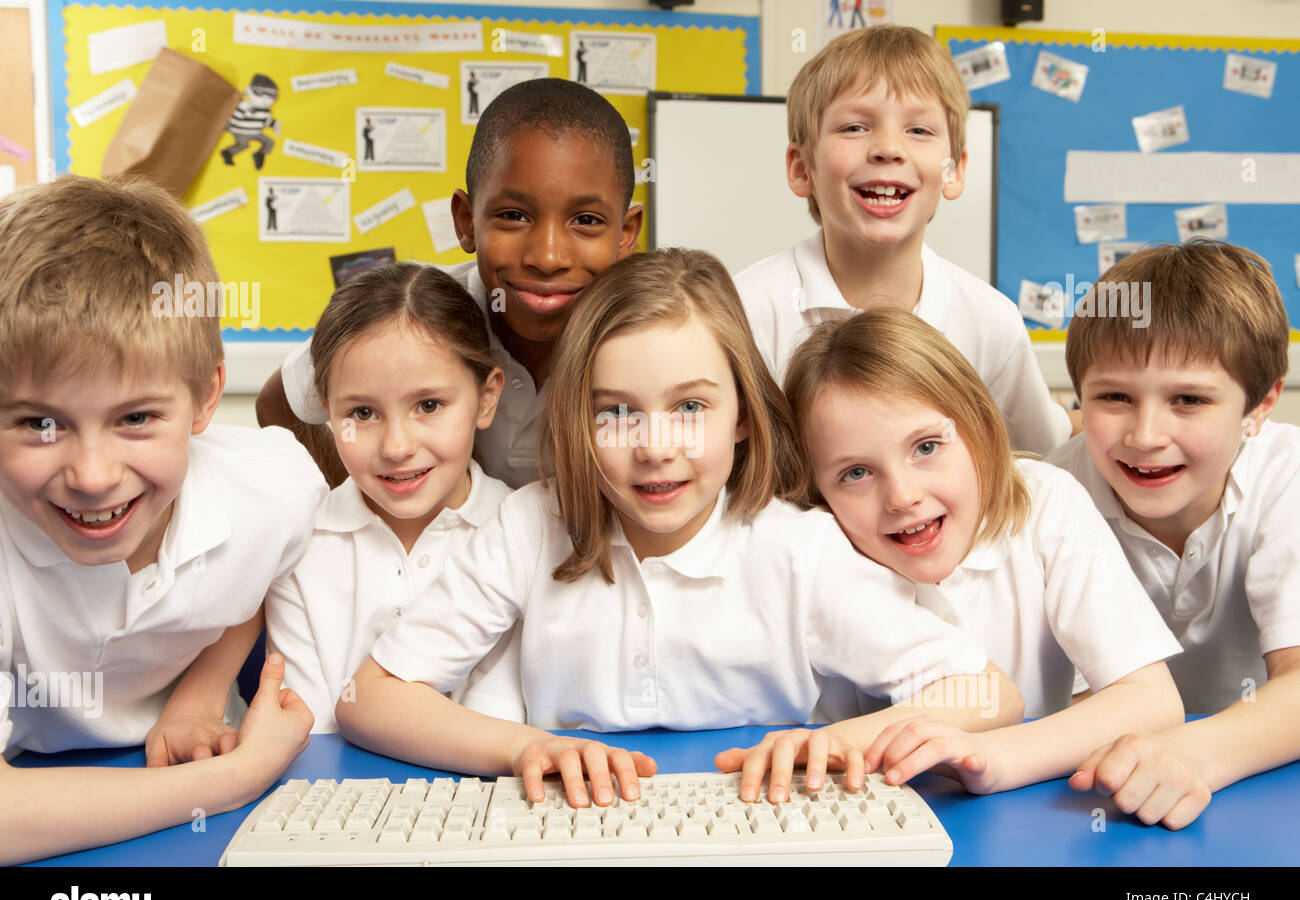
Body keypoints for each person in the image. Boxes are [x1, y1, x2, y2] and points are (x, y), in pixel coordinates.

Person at [336, 248, 1023, 809]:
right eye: (617, 412)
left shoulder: (796, 551)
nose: (655, 446)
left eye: (690, 406)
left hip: (767, 820)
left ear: (744, 417)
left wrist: (844, 740)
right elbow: (370, 700)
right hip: (579, 824)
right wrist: (520, 749)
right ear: (580, 421)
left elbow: (989, 695)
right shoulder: (531, 525)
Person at [717, 309, 1183, 801]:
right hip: (856, 808)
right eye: (855, 473)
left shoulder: (1046, 504)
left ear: (979, 428)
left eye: (926, 446)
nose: (902, 496)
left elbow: (1151, 701)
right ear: (817, 493)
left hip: (1021, 807)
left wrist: (998, 757)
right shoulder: (810, 547)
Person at [0, 176, 323, 864]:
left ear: (206, 398)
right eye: (40, 423)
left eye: (136, 419)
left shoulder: (277, 486)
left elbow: (265, 565)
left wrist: (200, 700)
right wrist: (237, 776)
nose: (92, 475)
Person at [256, 78, 643, 489]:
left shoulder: (649, 336)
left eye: (586, 221)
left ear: (625, 234)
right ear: (465, 221)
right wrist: (366, 506)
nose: (547, 258)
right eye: (514, 215)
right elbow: (280, 403)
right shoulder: (415, 312)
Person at [1047, 240, 1300, 829]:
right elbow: (1077, 705)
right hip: (1096, 786)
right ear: (1078, 396)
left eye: (1188, 399)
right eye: (1114, 397)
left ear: (1260, 404)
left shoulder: (1290, 476)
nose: (1146, 434)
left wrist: (1193, 753)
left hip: (1257, 776)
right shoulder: (1048, 493)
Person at [734, 25, 1072, 455]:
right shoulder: (745, 312)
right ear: (802, 168)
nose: (888, 148)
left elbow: (1037, 461)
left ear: (955, 171)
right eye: (855, 127)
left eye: (919, 131)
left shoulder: (991, 324)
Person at [266, 263, 524, 732]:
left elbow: (502, 717)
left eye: (428, 406)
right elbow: (306, 730)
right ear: (328, 411)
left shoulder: (525, 532)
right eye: (362, 412)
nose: (397, 447)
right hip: (343, 800)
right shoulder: (298, 542)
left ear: (486, 399)